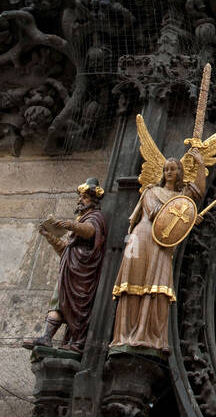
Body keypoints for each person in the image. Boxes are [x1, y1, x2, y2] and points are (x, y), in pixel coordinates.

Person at [110, 150, 205, 352]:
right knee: (134, 284)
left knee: (159, 287)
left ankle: (151, 335)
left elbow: (198, 192)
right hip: (142, 237)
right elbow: (155, 214)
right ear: (162, 172)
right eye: (167, 169)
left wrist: (201, 165)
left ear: (180, 173)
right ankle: (125, 335)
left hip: (163, 244)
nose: (170, 172)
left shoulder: (181, 196)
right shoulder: (151, 192)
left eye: (174, 169)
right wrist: (187, 216)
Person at [25, 178, 107, 353]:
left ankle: (77, 342)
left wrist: (71, 225)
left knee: (78, 308)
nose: (80, 200)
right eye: (80, 197)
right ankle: (46, 337)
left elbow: (90, 231)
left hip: (83, 272)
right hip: (68, 269)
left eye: (84, 197)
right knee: (57, 303)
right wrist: (50, 237)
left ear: (93, 200)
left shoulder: (95, 217)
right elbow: (65, 249)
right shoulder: (81, 221)